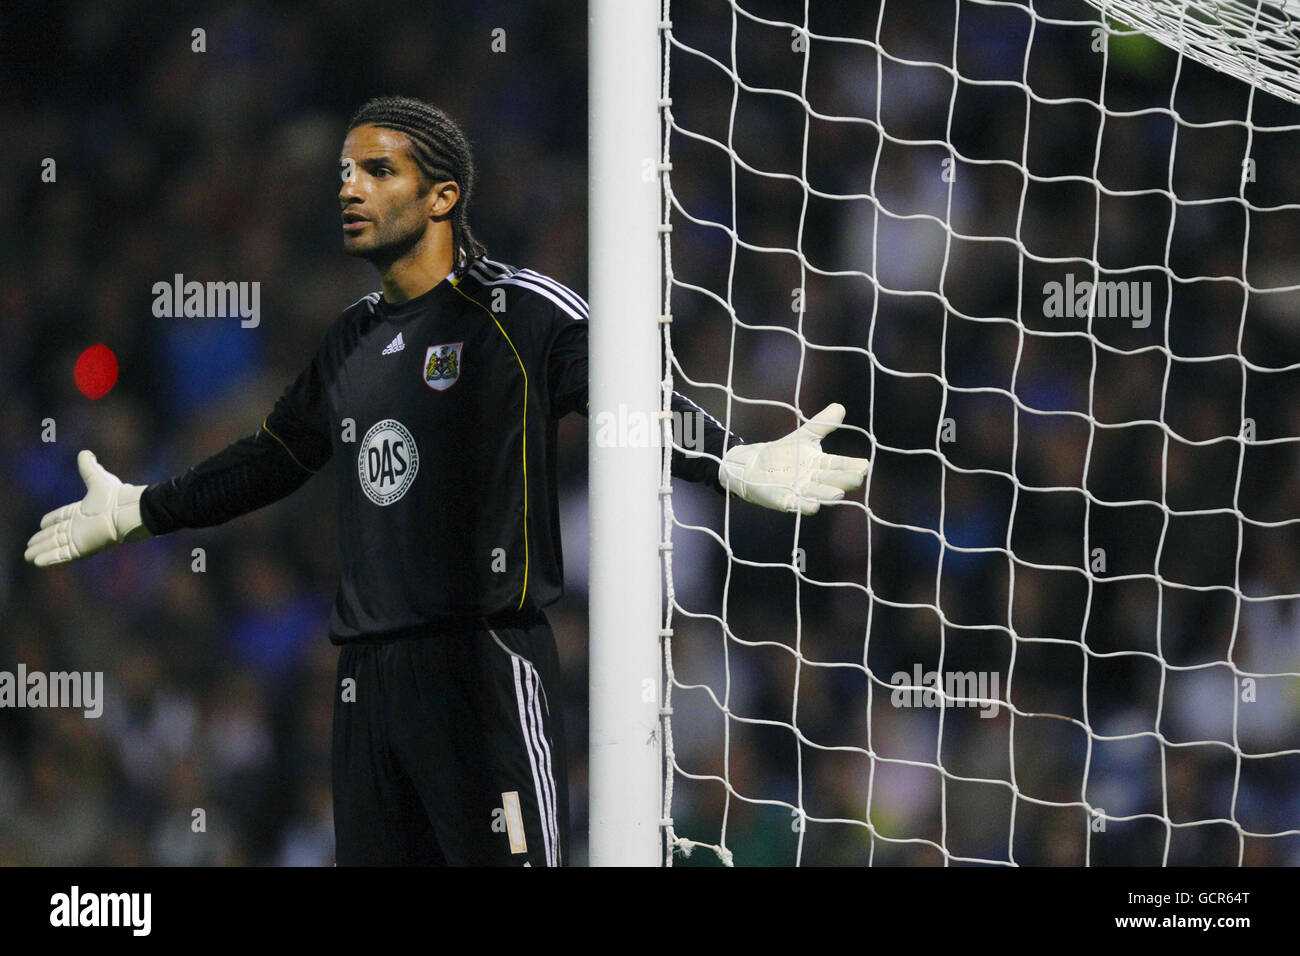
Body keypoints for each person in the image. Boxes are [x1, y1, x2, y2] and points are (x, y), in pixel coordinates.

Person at [23, 96, 869, 866]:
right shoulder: (351, 338)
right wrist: (142, 509)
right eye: (345, 172)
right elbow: (273, 458)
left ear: (443, 197)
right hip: (364, 685)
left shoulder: (519, 310)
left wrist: (730, 458)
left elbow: (628, 400)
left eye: (378, 170)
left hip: (484, 665)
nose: (350, 189)